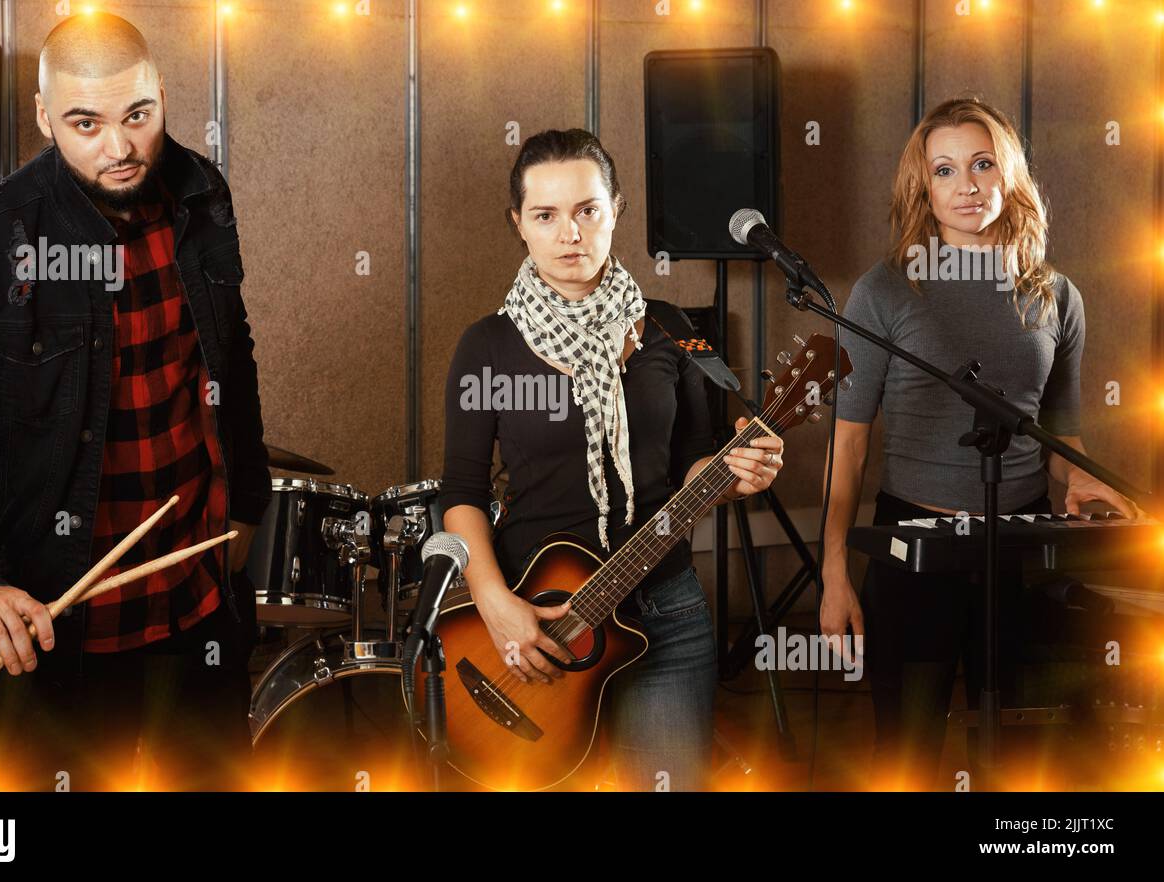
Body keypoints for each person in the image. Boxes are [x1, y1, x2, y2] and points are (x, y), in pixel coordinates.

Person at [0, 12, 270, 790]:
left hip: (198, 603)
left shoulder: (200, 192)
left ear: (161, 96)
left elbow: (231, 354)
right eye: (85, 123)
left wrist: (245, 502)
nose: (119, 148)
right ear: (46, 118)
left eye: (137, 117)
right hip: (58, 621)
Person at [439, 128, 783, 791]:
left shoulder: (672, 328)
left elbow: (692, 467)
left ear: (617, 209)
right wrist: (492, 600)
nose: (570, 233)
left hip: (667, 615)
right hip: (538, 615)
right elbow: (462, 489)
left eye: (588, 210)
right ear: (519, 223)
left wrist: (736, 480)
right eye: (546, 215)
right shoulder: (487, 345)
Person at [818, 96, 1141, 790]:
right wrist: (835, 573)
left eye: (983, 163)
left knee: (1024, 759)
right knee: (905, 754)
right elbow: (847, 448)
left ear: (1010, 174)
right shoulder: (883, 291)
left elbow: (1060, 434)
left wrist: (1079, 480)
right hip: (913, 547)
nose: (966, 185)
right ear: (923, 188)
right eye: (945, 170)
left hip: (1020, 549)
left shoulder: (1057, 296)